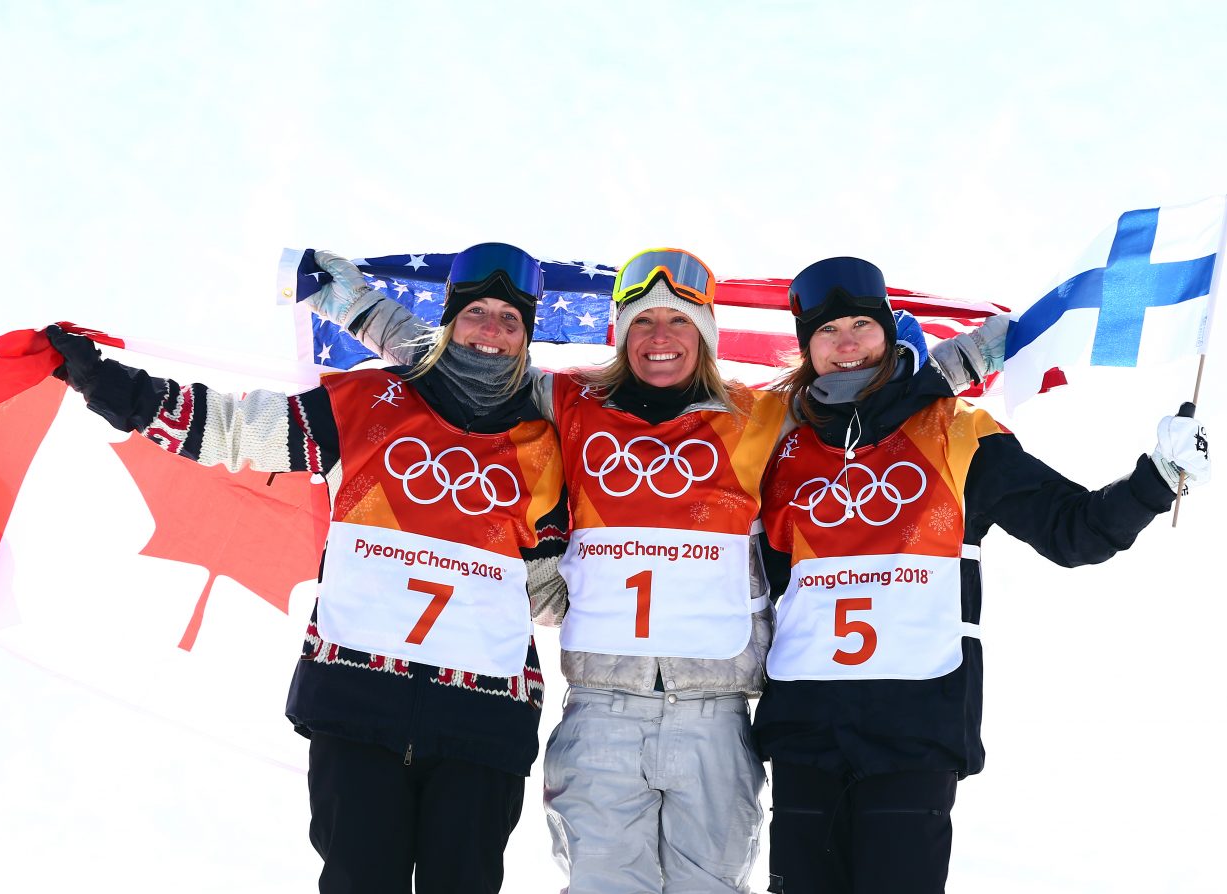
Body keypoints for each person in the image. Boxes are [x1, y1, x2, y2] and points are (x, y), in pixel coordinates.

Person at [306, 246, 1002, 893]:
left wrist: (983, 352)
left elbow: (868, 393)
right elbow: (477, 365)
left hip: (714, 716)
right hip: (605, 713)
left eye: (679, 320)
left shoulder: (759, 416)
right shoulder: (575, 405)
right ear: (621, 334)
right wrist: (366, 312)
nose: (659, 335)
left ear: (705, 334)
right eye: (643, 321)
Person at [45, 242, 569, 894]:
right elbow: (232, 430)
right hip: (356, 703)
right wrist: (110, 386)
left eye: (509, 319)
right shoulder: (367, 402)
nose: (490, 329)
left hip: (484, 725)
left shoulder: (549, 443)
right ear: (450, 318)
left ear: (526, 337)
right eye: (476, 313)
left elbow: (551, 594)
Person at [753, 256, 1212, 894]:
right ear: (806, 348)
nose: (848, 343)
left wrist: (1156, 479)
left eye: (862, 323)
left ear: (889, 331)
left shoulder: (959, 433)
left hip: (912, 731)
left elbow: (1071, 529)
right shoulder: (779, 449)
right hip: (806, 728)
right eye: (828, 332)